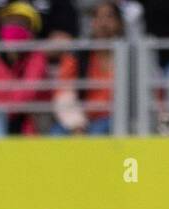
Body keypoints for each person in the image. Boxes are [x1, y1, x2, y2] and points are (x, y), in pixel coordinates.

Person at [0, 2, 49, 137]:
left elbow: (26, 96)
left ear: (31, 31)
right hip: (0, 122)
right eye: (9, 23)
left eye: (20, 24)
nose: (13, 28)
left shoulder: (37, 57)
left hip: (31, 123)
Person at [51, 1, 122, 136]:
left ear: (120, 23)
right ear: (92, 23)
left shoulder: (131, 56)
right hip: (82, 119)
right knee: (56, 134)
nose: (103, 23)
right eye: (98, 18)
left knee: (98, 132)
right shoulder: (78, 56)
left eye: (109, 17)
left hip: (115, 118)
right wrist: (77, 124)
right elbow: (63, 94)